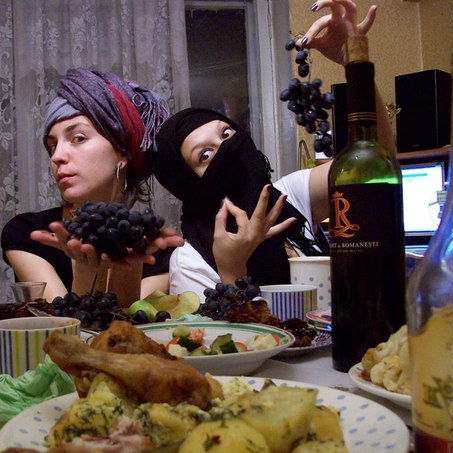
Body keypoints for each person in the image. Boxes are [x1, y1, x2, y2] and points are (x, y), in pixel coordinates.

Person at [152, 0, 394, 299]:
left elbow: (375, 166)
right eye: (205, 155)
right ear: (190, 185)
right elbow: (226, 330)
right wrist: (231, 269)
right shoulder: (190, 262)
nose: (228, 147)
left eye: (227, 133)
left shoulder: (289, 196)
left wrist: (354, 63)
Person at [1, 68, 183, 306]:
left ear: (122, 152)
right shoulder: (28, 234)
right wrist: (86, 270)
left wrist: (127, 268)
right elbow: (63, 327)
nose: (57, 156)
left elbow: (122, 326)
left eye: (78, 138)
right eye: (52, 145)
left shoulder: (155, 251)